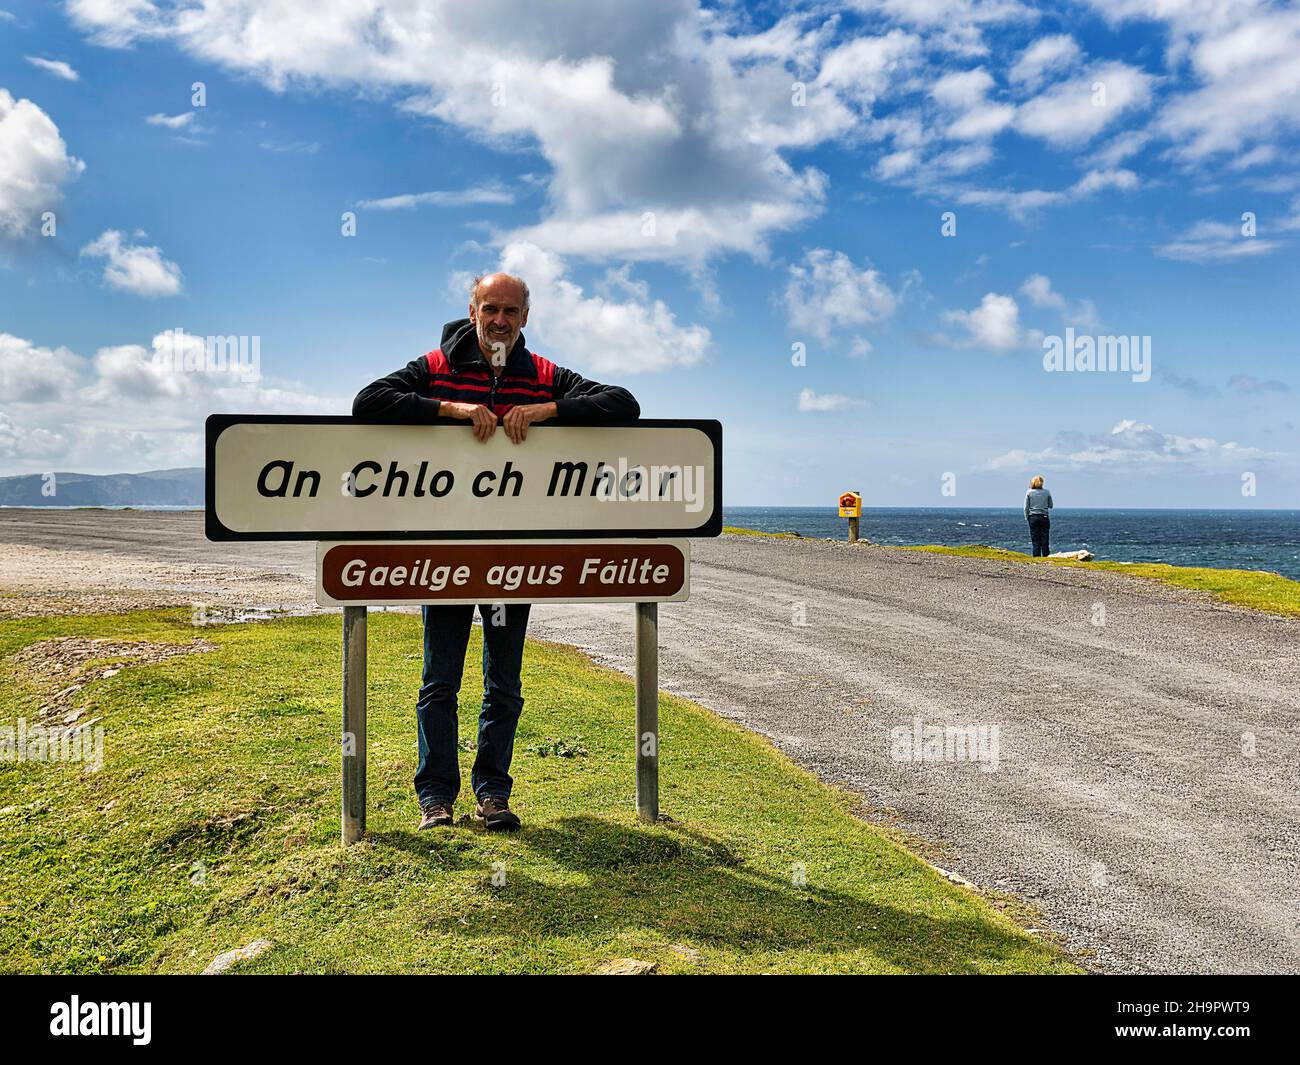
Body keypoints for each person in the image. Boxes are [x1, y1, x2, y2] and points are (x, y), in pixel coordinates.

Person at [352, 272, 639, 831]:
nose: (499, 321)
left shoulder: (545, 374)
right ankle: (435, 797)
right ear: (472, 311)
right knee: (440, 681)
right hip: (448, 556)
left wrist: (546, 411)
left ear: (524, 317)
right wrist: (453, 411)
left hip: (515, 557)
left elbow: (622, 404)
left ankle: (493, 796)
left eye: (510, 311)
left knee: (504, 685)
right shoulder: (435, 366)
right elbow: (369, 402)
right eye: (490, 309)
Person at [1024, 475, 1053, 557]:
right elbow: (1051, 505)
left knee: (1035, 538)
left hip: (1033, 517)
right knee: (1045, 538)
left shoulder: (1029, 492)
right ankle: (1046, 556)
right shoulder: (1047, 492)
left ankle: (1036, 557)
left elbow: (1026, 507)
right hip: (1044, 517)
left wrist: (1027, 517)